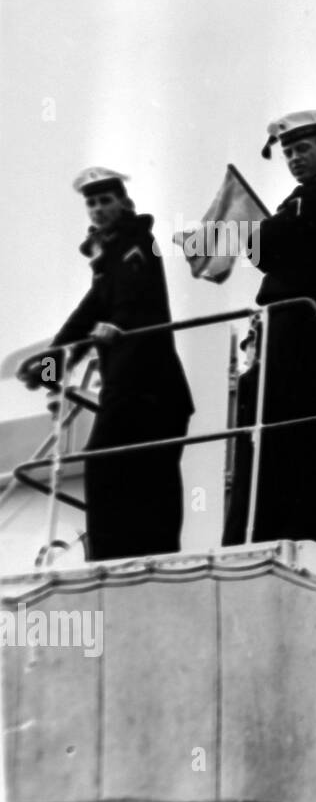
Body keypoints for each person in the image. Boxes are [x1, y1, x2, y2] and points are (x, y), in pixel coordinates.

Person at [20, 167, 194, 561]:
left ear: (123, 204)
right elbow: (84, 316)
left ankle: (126, 556)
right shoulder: (109, 260)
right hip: (136, 387)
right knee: (131, 470)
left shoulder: (136, 245)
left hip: (147, 385)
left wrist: (117, 325)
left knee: (118, 466)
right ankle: (129, 555)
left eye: (105, 201)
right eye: (92, 203)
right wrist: (47, 368)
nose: (98, 209)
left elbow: (134, 298)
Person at [222, 110, 316, 553]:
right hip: (282, 323)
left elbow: (276, 241)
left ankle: (297, 530)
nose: (295, 159)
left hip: (302, 323)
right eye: (288, 153)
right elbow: (268, 253)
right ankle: (268, 527)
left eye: (303, 148)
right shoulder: (304, 198)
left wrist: (257, 231)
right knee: (270, 419)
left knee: (289, 424)